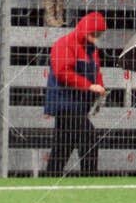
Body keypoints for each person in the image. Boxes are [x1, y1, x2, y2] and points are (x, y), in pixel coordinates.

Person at [43, 10, 107, 176]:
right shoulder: (65, 44)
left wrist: (99, 86)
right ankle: (89, 179)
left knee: (62, 148)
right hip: (65, 103)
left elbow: (96, 72)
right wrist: (90, 87)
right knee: (90, 138)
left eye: (99, 34)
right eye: (94, 33)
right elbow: (62, 72)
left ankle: (49, 180)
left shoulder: (91, 49)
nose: (96, 37)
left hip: (76, 105)